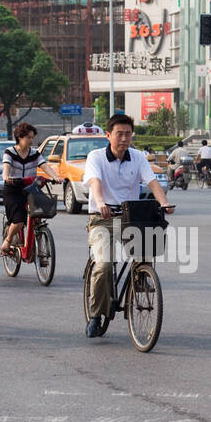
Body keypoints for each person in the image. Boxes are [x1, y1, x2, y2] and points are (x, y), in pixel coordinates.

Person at [83, 113, 175, 337]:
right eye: (119, 134)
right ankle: (96, 315)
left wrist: (164, 203)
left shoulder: (138, 157)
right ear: (108, 135)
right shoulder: (96, 157)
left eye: (128, 134)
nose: (124, 138)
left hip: (130, 216)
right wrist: (101, 202)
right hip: (102, 217)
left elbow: (151, 181)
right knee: (104, 266)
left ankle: (141, 276)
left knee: (150, 237)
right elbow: (95, 182)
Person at [0, 122, 61, 256]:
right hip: (13, 189)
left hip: (30, 187)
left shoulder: (34, 153)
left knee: (43, 209)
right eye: (28, 137)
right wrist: (6, 177)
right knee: (19, 221)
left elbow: (44, 166)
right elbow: (6, 167)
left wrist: (55, 177)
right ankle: (8, 240)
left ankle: (38, 239)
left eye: (32, 137)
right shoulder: (10, 152)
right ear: (19, 137)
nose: (31, 140)